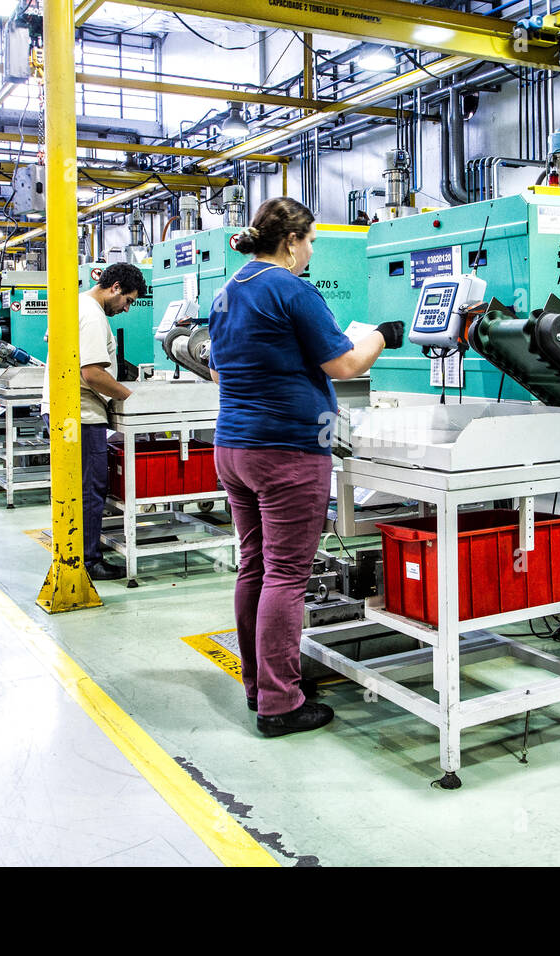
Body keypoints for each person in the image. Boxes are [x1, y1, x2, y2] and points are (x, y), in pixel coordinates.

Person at [209, 197, 404, 738]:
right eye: (311, 241)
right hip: (287, 451)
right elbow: (344, 363)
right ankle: (280, 703)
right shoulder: (291, 288)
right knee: (287, 574)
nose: (313, 250)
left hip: (235, 447)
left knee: (255, 566)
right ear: (291, 241)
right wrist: (383, 335)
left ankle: (261, 683)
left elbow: (223, 370)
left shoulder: (227, 292)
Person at [42, 262, 146, 581]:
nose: (126, 309)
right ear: (114, 287)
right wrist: (131, 396)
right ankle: (87, 560)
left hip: (66, 410)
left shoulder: (74, 304)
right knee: (90, 488)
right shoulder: (91, 313)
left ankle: (78, 549)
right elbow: (93, 373)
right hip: (81, 415)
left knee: (77, 487)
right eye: (127, 300)